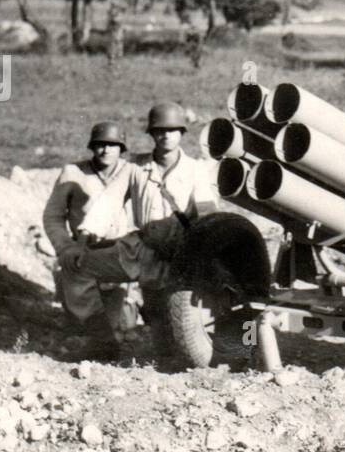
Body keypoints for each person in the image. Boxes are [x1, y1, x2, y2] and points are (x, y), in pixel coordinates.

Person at [71, 102, 220, 363]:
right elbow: (109, 200)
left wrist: (208, 241)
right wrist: (86, 234)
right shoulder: (135, 167)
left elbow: (207, 207)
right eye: (160, 130)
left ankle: (194, 356)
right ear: (151, 133)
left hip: (183, 249)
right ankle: (139, 350)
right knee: (152, 303)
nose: (166, 135)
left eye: (172, 130)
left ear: (182, 133)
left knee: (184, 306)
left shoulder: (195, 169)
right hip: (147, 247)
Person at [41, 121, 136, 357]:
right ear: (92, 147)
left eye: (113, 145)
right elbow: (52, 216)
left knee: (121, 323)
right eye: (100, 145)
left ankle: (129, 309)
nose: (106, 150)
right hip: (84, 251)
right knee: (84, 324)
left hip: (118, 253)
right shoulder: (73, 173)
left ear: (121, 148)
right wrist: (65, 247)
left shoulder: (130, 172)